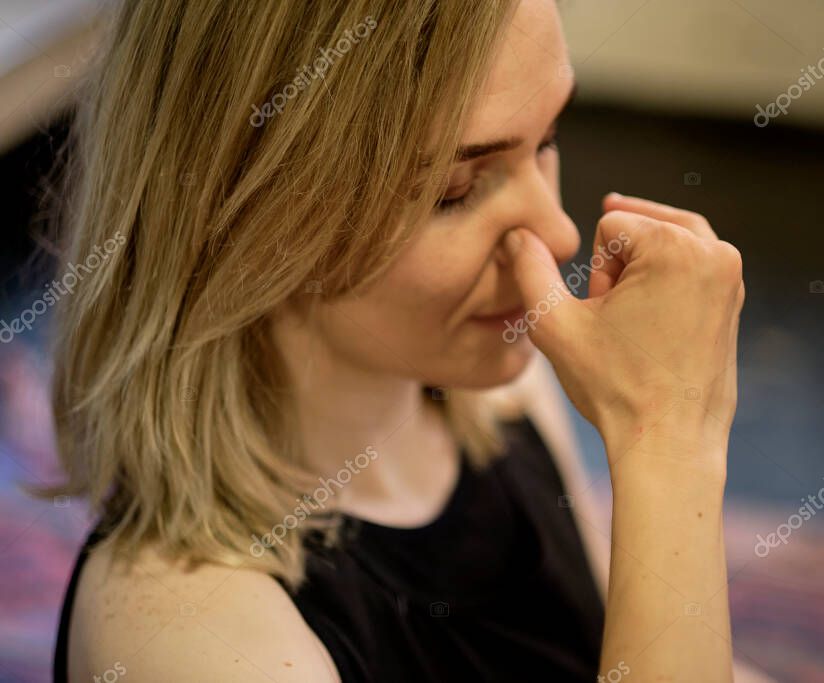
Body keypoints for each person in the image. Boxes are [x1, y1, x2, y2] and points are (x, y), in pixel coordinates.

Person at [46, 1, 758, 680]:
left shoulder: (503, 395)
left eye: (546, 141)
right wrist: (666, 442)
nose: (559, 234)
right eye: (452, 189)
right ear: (244, 211)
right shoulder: (186, 635)